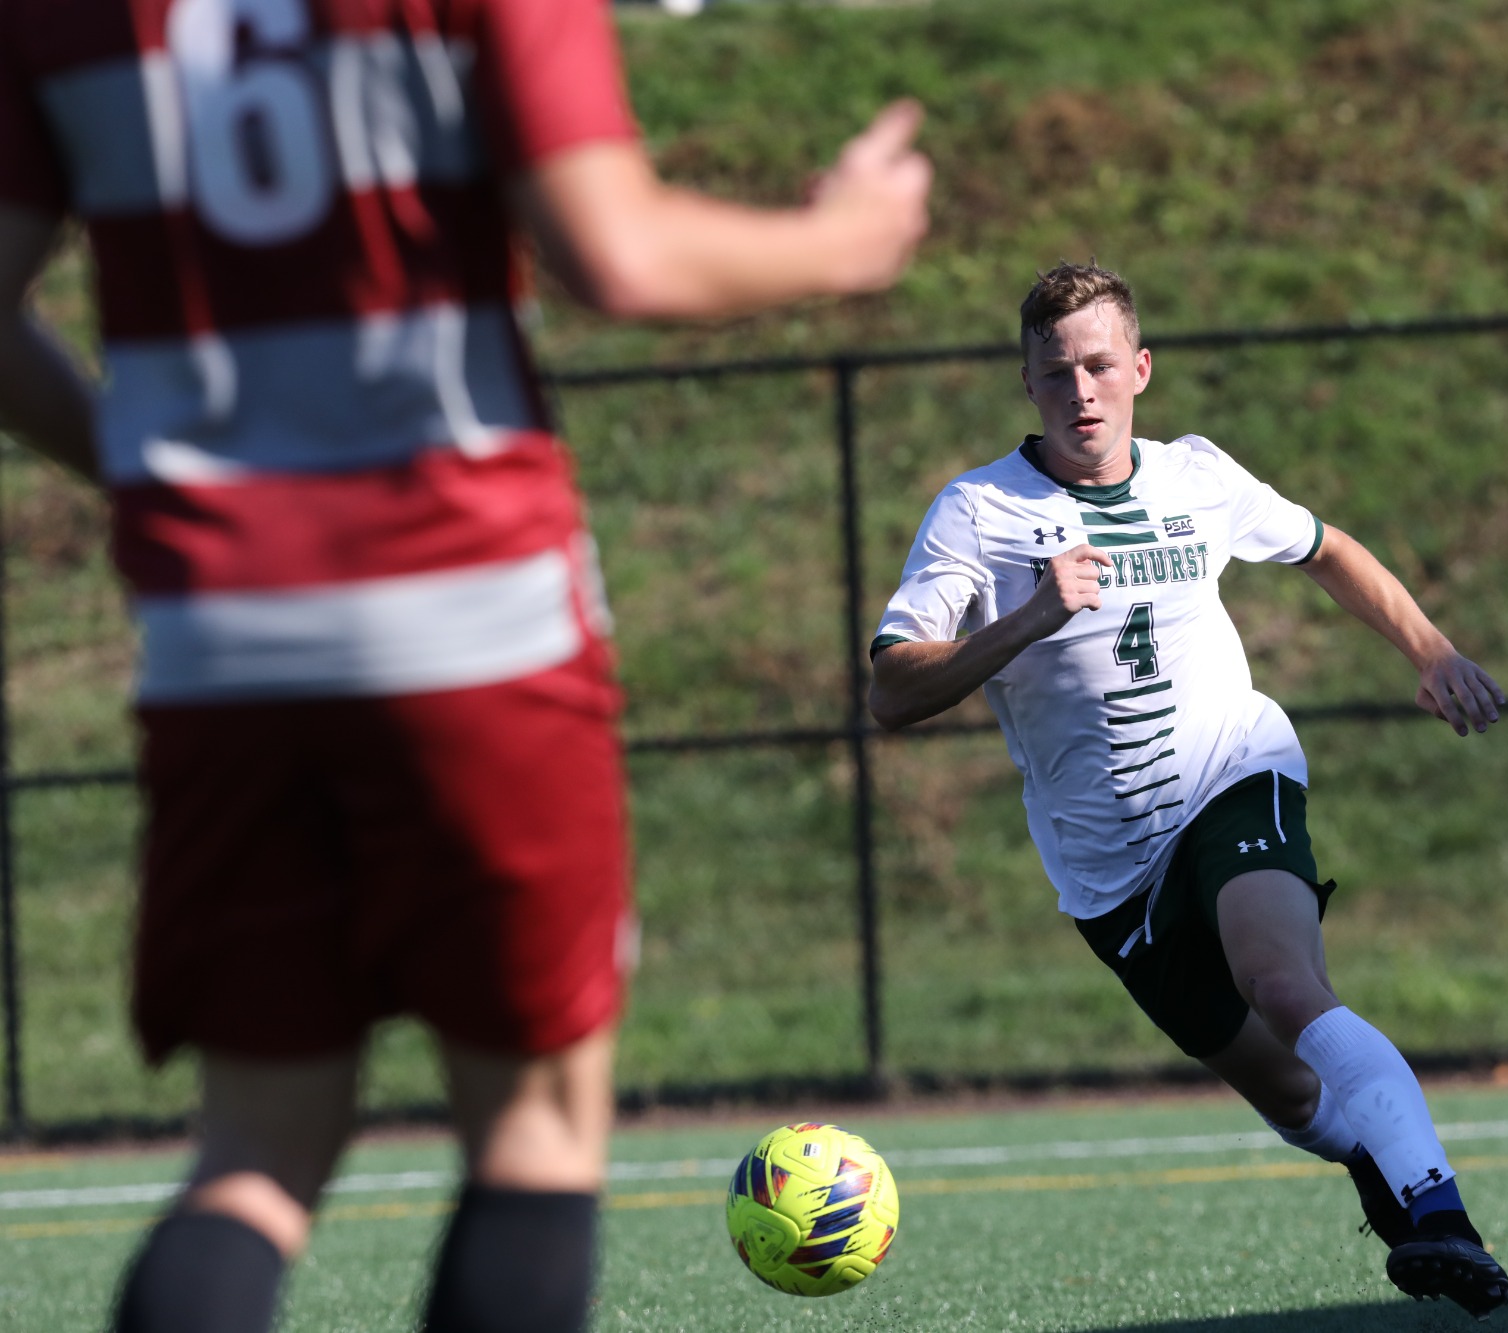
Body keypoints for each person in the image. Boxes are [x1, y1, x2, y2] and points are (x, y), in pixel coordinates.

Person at [0, 0, 930, 1328]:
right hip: (472, 618)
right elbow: (617, 256)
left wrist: (148, 471)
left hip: (220, 635)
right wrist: (844, 239)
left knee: (254, 1152)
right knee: (534, 1132)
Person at [868, 262, 1508, 1319]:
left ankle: (1438, 1212)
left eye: (1099, 366)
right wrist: (1023, 620)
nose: (1080, 391)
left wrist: (1429, 650)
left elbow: (1324, 546)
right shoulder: (976, 512)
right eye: (1055, 371)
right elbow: (892, 689)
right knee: (1291, 1090)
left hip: (1229, 773)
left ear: (1140, 370)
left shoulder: (1195, 477)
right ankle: (1374, 1166)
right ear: (1024, 383)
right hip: (1106, 866)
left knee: (1282, 981)